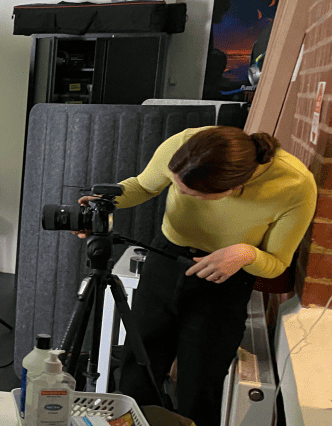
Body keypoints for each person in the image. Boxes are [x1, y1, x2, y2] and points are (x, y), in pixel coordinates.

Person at [76, 125, 316, 426]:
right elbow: (143, 186)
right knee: (138, 367)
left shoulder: (294, 185)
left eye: (196, 195)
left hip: (225, 277)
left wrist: (244, 254)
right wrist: (103, 205)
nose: (183, 195)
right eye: (179, 188)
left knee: (200, 386)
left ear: (232, 189)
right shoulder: (186, 145)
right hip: (167, 258)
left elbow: (278, 263)